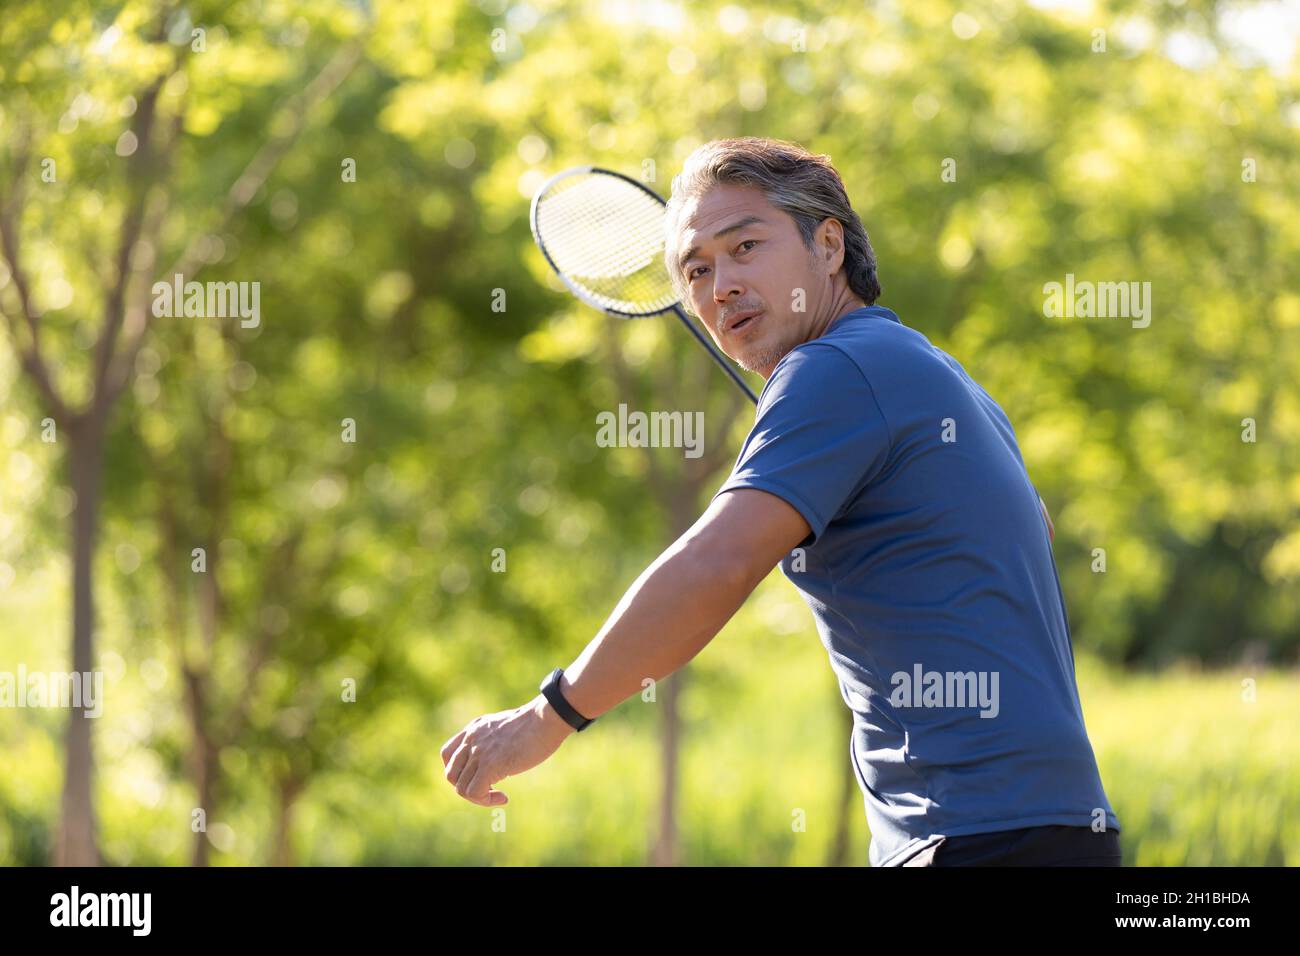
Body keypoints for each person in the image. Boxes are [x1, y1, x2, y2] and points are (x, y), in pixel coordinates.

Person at [441, 136, 1121, 867]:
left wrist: (548, 716)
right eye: (696, 270)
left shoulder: (835, 369)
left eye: (745, 247)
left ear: (828, 246)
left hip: (971, 835)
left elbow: (716, 564)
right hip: (1058, 828)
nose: (720, 285)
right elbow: (1029, 530)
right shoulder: (944, 377)